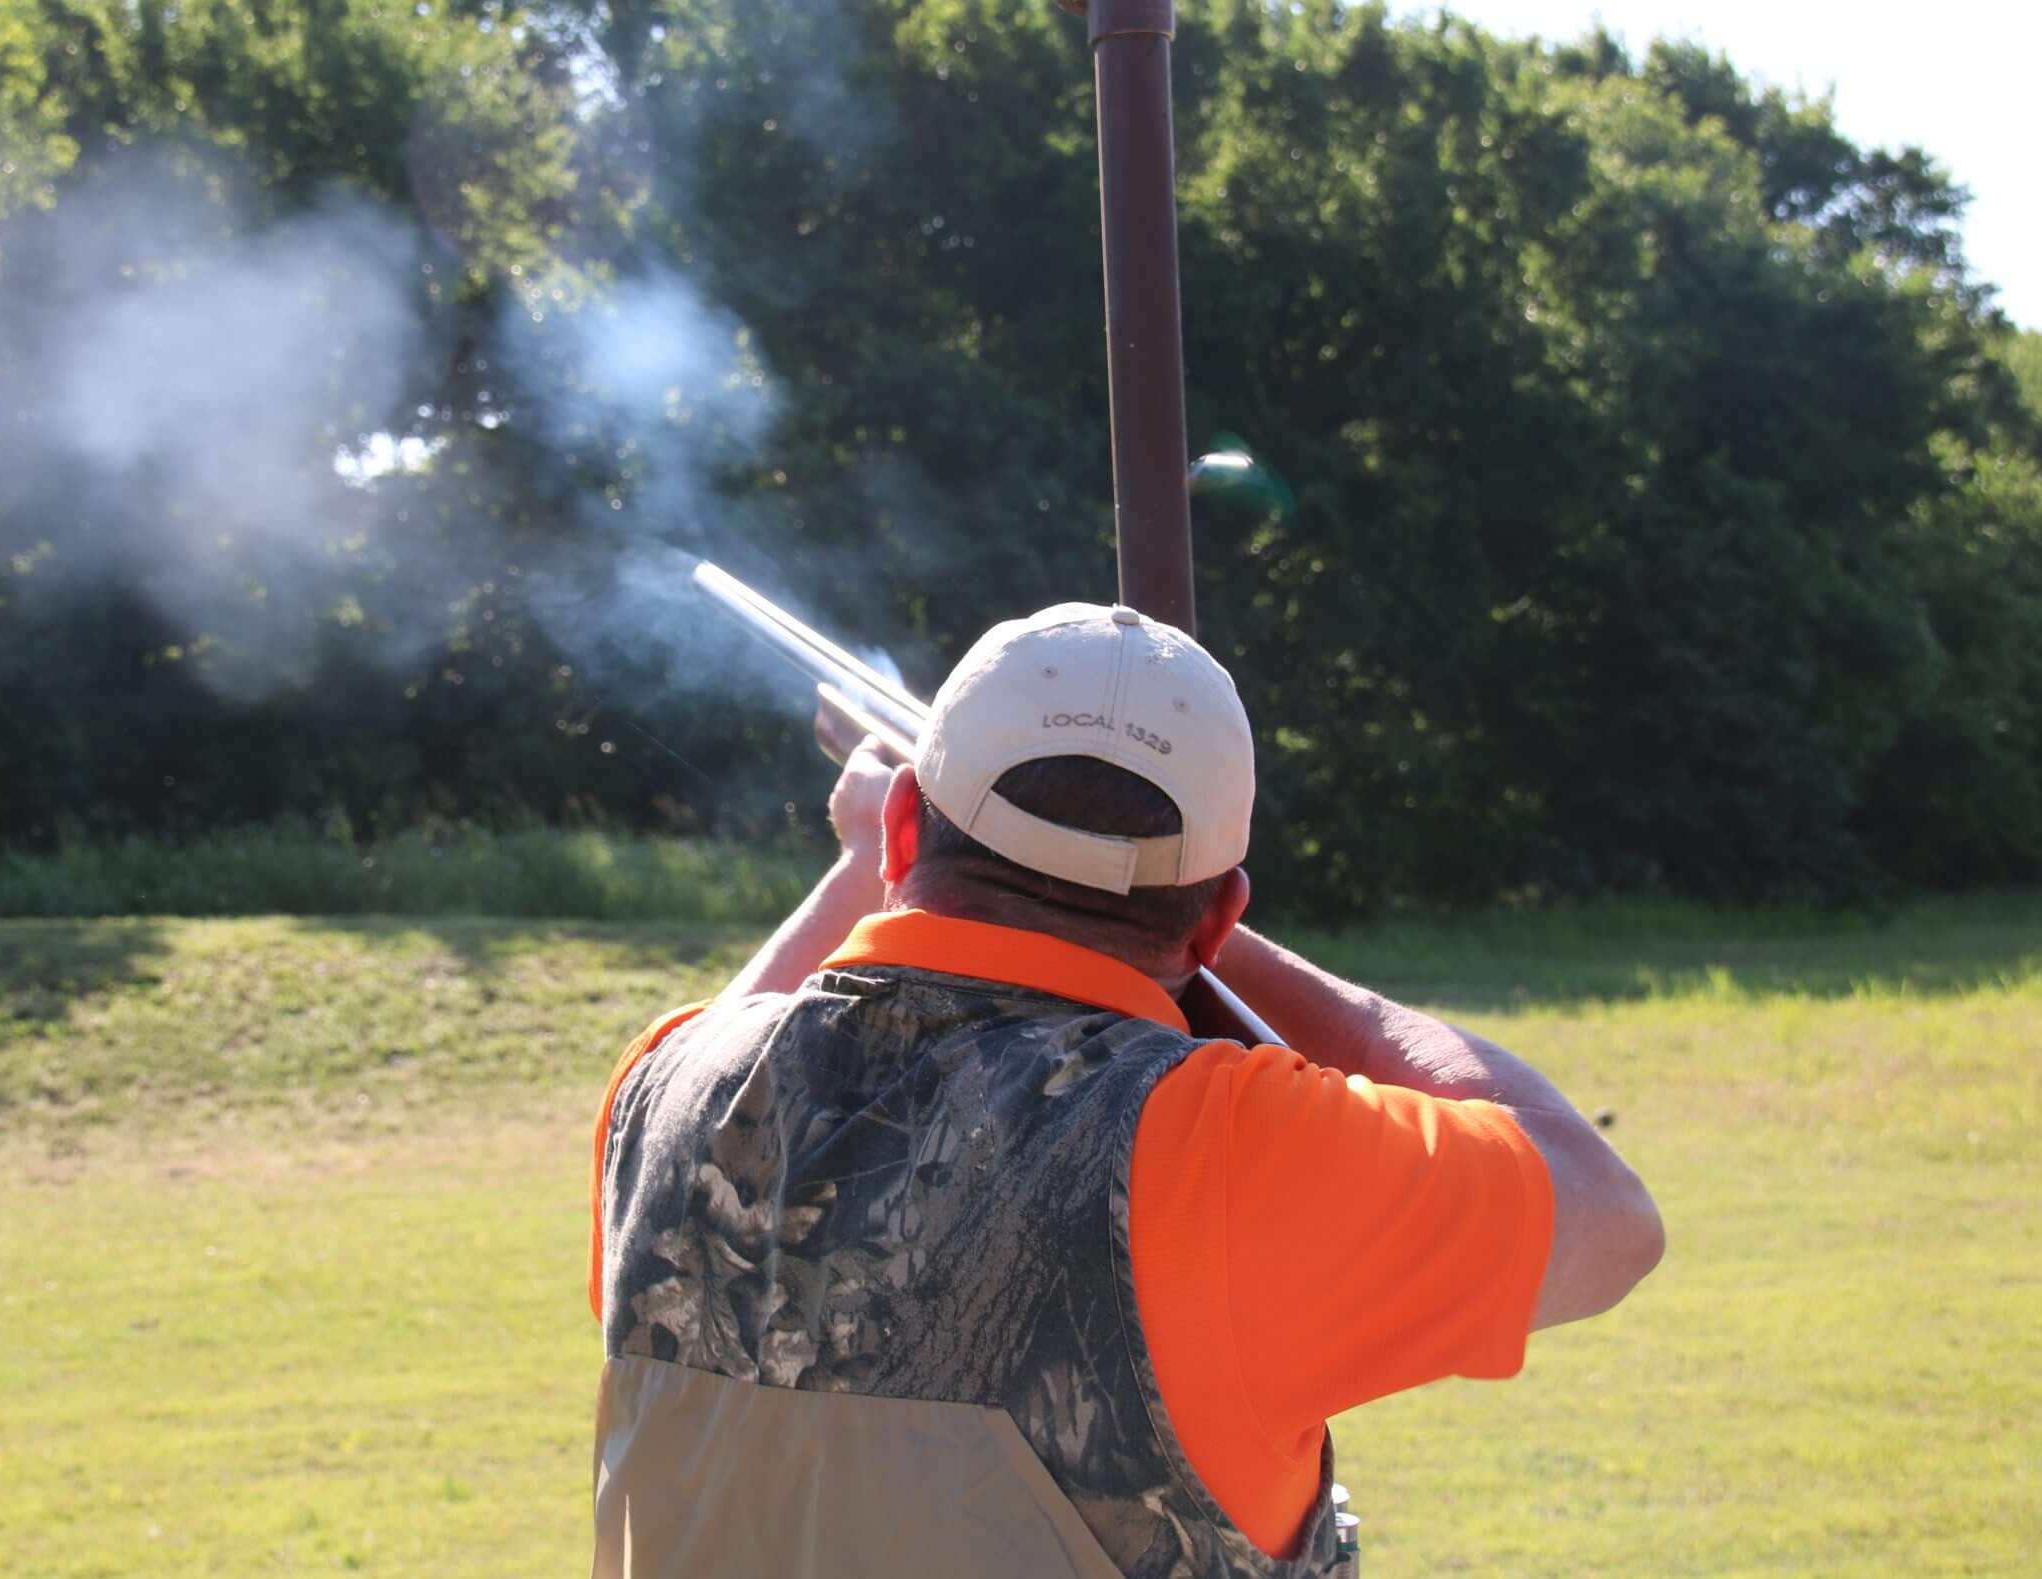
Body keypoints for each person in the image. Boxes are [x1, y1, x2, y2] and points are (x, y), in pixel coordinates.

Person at [589, 602, 1664, 1578]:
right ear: (1212, 917)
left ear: (908, 827)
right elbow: (1607, 1215)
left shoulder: (658, 1095)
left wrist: (865, 857)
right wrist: (1232, 952)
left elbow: (747, 1029)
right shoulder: (1224, 1141)